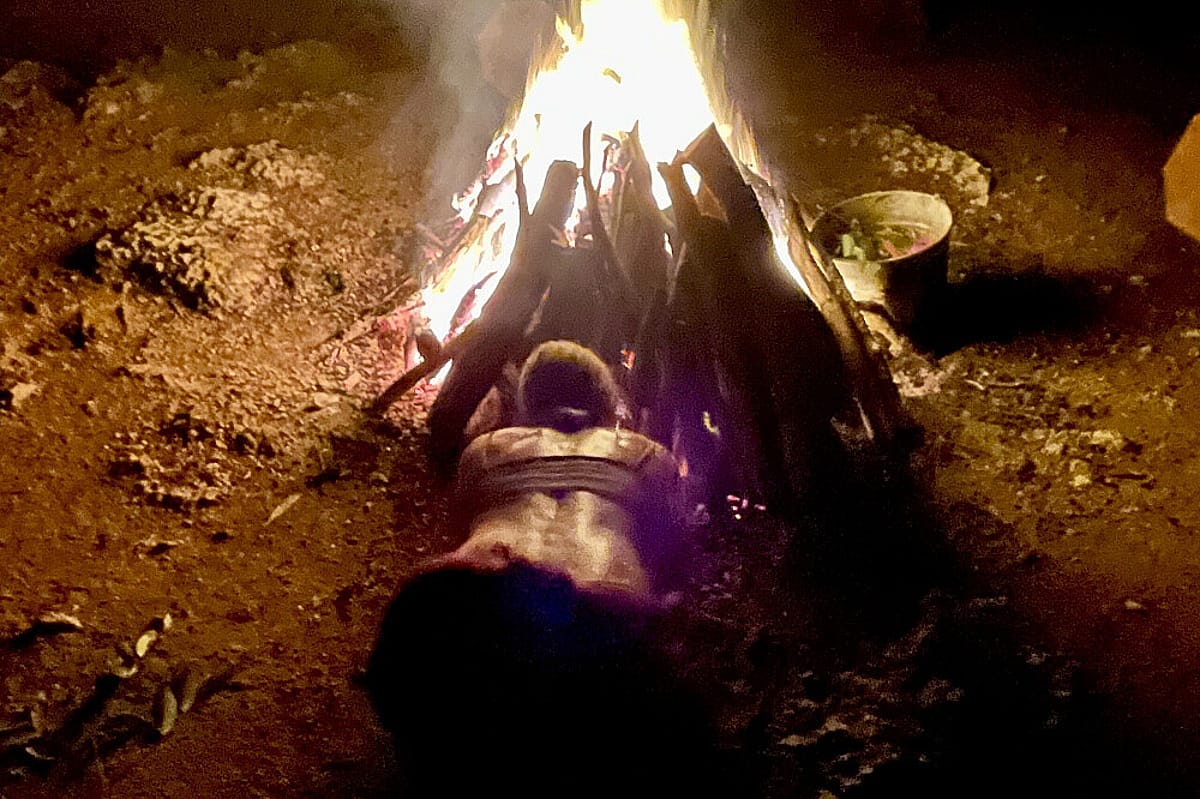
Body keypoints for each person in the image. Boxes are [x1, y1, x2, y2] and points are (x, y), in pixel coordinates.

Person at [364, 340, 717, 798]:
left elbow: (459, 526)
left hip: (482, 594)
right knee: (663, 647)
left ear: (526, 405)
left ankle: (474, 729)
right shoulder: (647, 456)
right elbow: (671, 560)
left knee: (458, 608)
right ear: (608, 405)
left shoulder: (487, 449)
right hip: (599, 614)